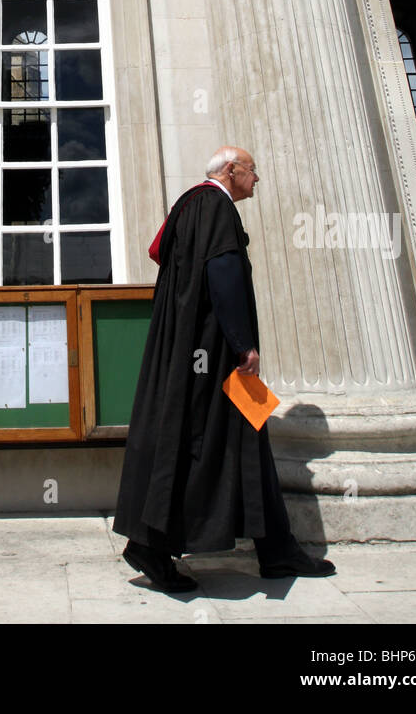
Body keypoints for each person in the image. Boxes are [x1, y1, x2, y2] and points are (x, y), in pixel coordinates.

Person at [113, 146, 336, 592]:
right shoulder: (215, 206)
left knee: (238, 439)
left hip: (187, 352)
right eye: (253, 171)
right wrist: (243, 344)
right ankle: (155, 545)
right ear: (231, 171)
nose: (257, 180)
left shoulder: (188, 205)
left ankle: (274, 550)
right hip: (214, 356)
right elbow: (224, 274)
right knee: (226, 439)